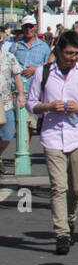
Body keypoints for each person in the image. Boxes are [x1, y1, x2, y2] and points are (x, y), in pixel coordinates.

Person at [26, 30, 78, 254]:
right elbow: (31, 103)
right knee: (59, 186)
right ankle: (62, 233)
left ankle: (71, 219)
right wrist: (48, 106)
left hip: (77, 134)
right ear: (59, 50)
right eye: (69, 53)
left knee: (76, 188)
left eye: (77, 54)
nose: (72, 58)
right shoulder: (44, 73)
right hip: (52, 135)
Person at [0, 41, 25, 175]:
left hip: (6, 103)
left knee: (8, 134)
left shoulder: (9, 57)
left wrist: (20, 94)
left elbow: (17, 76)